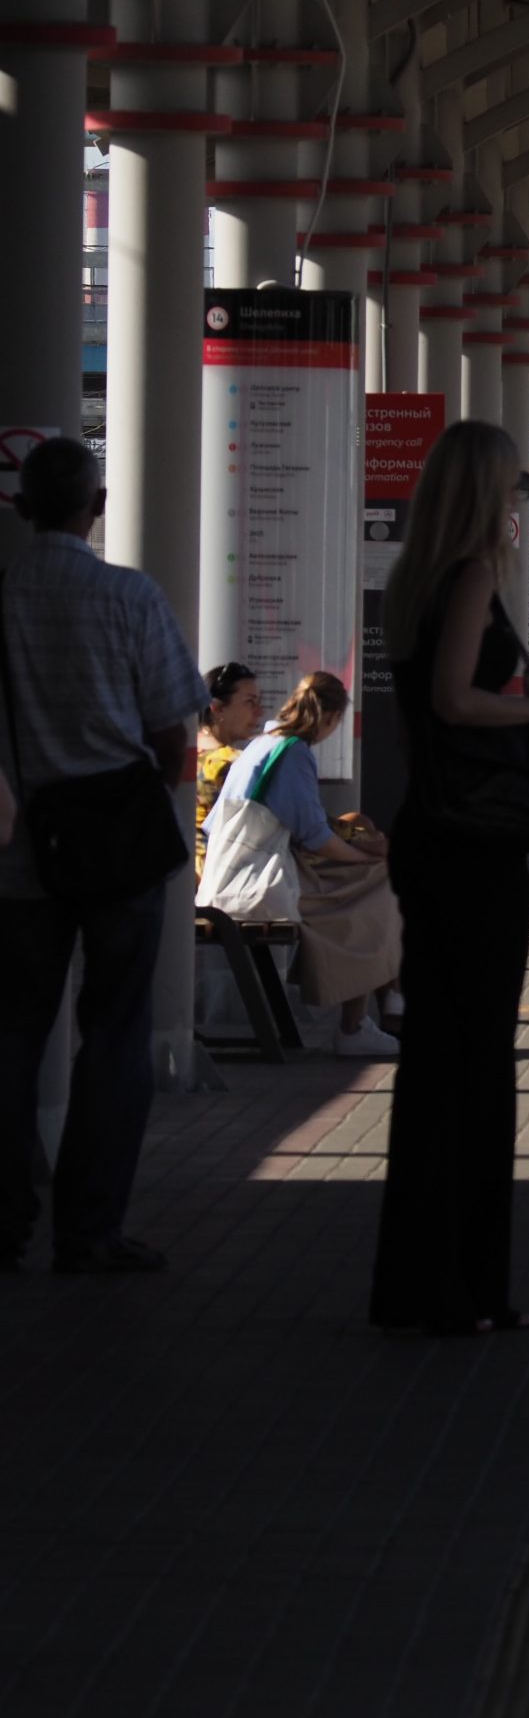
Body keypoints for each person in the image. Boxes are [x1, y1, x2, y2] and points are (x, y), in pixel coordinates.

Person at [369, 421, 529, 1337]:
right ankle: (465, 1288)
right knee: (478, 1060)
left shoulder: (413, 581)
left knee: (437, 1061)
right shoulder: (473, 580)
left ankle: (424, 1284)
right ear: (486, 493)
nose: (520, 505)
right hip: (471, 845)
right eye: (514, 490)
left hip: (432, 832)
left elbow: (432, 703)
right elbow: (456, 700)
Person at [0, 436, 203, 1275]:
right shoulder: (129, 596)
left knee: (11, 1033)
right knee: (115, 1032)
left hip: (19, 851)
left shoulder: (3, 595)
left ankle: (5, 1220)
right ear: (99, 507)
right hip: (118, 842)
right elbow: (173, 738)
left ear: (19, 507)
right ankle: (90, 1227)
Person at [204, 670, 402, 1055]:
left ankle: (382, 1001)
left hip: (232, 875)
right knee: (379, 883)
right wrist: (366, 853)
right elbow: (316, 838)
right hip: (256, 887)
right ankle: (358, 1021)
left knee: (370, 881)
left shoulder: (264, 744)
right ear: (330, 719)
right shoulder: (293, 753)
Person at [195, 661, 261, 862]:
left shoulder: (187, 752)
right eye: (250, 702)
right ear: (218, 708)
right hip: (220, 876)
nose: (259, 713)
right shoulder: (229, 763)